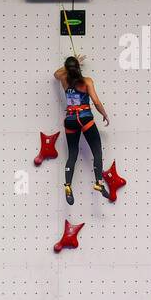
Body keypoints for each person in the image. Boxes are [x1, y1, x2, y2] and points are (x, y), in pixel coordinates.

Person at [53, 56, 109, 205]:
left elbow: (56, 74)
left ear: (67, 68)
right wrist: (104, 114)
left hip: (70, 120)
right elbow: (96, 102)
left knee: (72, 154)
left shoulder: (64, 80)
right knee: (97, 151)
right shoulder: (87, 81)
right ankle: (98, 182)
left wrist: (70, 64)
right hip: (85, 119)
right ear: (79, 68)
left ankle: (68, 186)